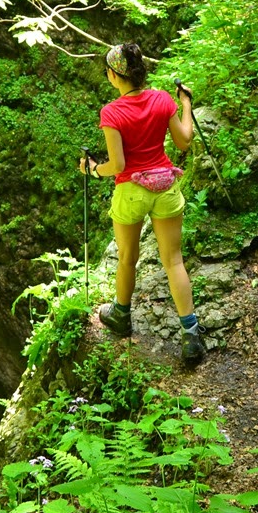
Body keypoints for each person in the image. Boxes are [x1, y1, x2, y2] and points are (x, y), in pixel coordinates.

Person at [79, 43, 206, 364]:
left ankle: (121, 315)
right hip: (164, 185)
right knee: (173, 261)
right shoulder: (163, 99)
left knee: (127, 258)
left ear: (113, 75)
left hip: (132, 191)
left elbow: (118, 165)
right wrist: (186, 104)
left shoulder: (111, 113)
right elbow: (184, 141)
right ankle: (190, 335)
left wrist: (94, 169)